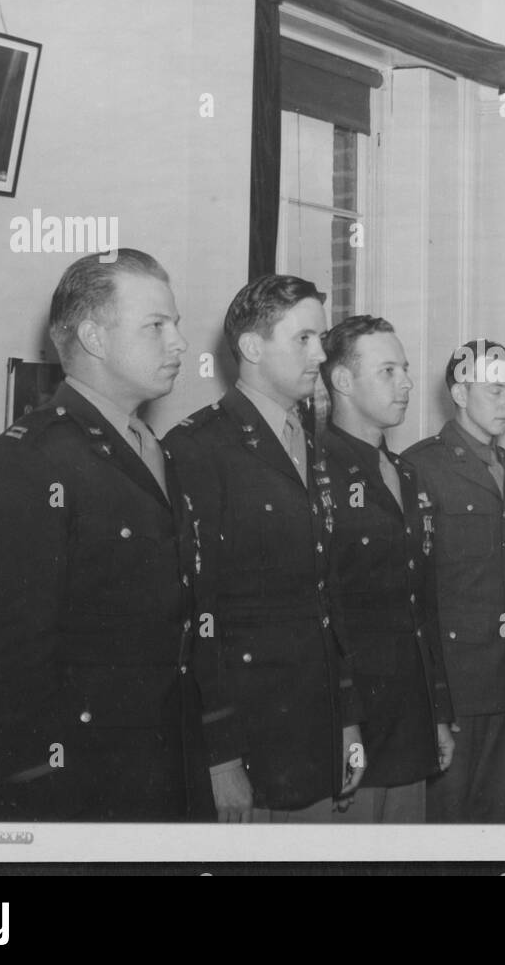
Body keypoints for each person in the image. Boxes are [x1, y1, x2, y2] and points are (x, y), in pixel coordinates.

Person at [0, 249, 212, 821]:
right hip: (80, 790)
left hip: (164, 771)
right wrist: (42, 796)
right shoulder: (31, 460)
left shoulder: (154, 450)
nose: (179, 343)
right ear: (95, 337)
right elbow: (1, 663)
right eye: (157, 326)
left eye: (175, 325)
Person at [164, 275, 364, 824]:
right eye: (303, 339)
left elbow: (330, 600)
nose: (320, 354)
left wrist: (346, 723)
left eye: (320, 339)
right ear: (252, 348)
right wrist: (220, 756)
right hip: (250, 740)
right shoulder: (197, 448)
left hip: (314, 730)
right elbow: (198, 616)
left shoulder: (312, 441)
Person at [403, 340, 505, 823]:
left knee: (497, 820)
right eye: (494, 390)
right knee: (447, 824)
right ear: (460, 394)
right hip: (454, 687)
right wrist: (433, 699)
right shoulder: (419, 467)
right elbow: (416, 595)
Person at [318, 315, 455, 822]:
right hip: (352, 721)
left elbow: (425, 604)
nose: (408, 383)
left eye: (405, 369)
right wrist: (342, 725)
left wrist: (437, 714)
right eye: (388, 371)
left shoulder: (407, 474)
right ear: (342, 381)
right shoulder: (315, 472)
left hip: (409, 719)